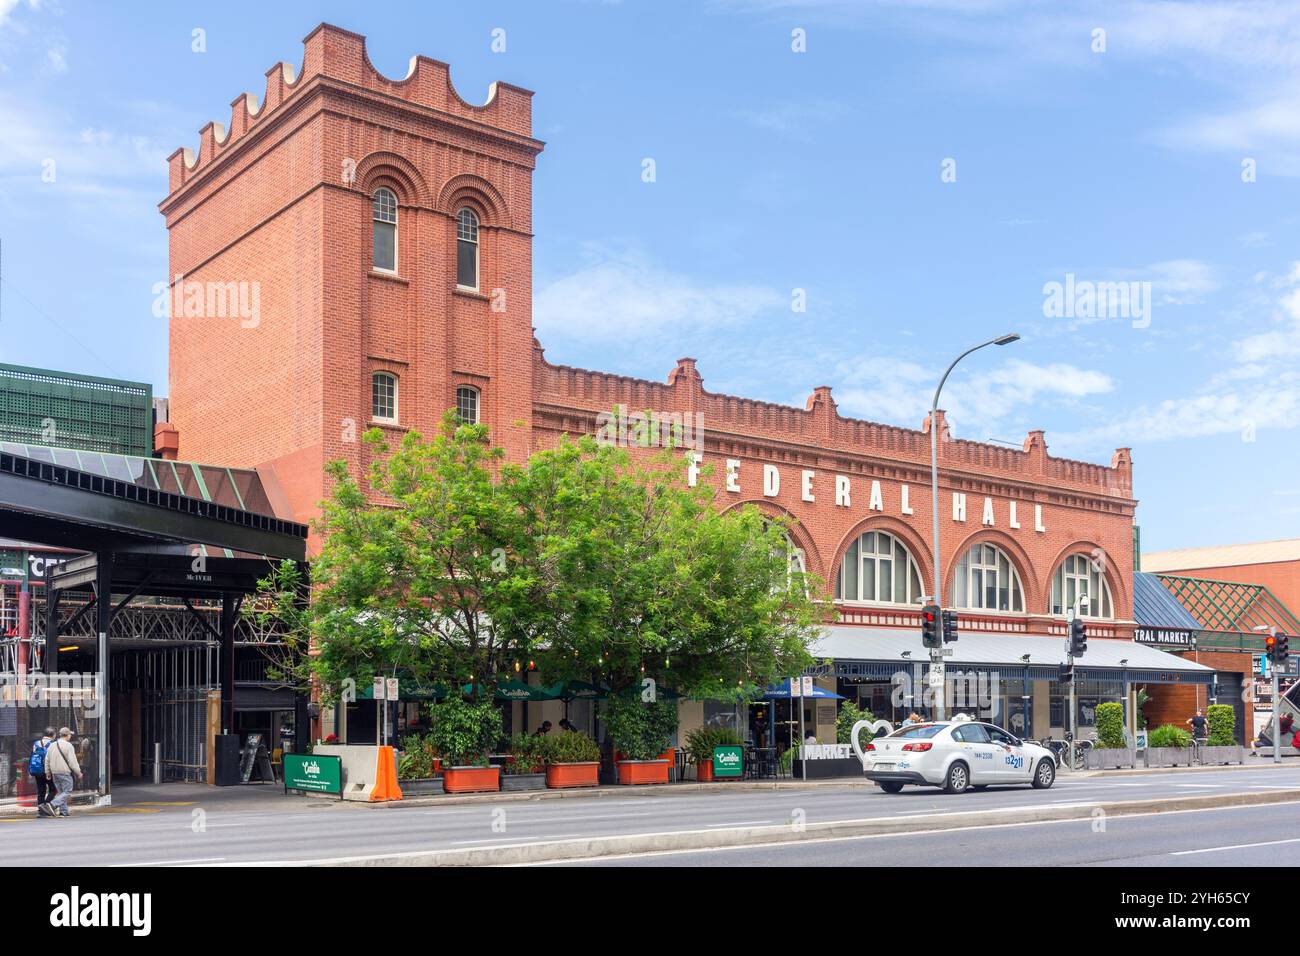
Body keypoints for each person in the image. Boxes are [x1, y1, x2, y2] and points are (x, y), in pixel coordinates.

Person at [45, 727, 82, 819]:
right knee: (67, 792)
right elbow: (72, 762)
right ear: (67, 735)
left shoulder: (52, 745)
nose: (70, 736)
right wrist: (78, 772)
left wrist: (48, 772)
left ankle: (63, 812)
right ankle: (53, 804)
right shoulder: (68, 746)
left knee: (61, 793)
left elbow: (47, 760)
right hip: (64, 772)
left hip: (54, 773)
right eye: (70, 735)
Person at [28, 727, 55, 816]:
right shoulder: (53, 744)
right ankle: (47, 806)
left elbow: (32, 756)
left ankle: (41, 811)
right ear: (53, 735)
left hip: (37, 769)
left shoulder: (36, 743)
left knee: (41, 791)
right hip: (48, 770)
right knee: (53, 789)